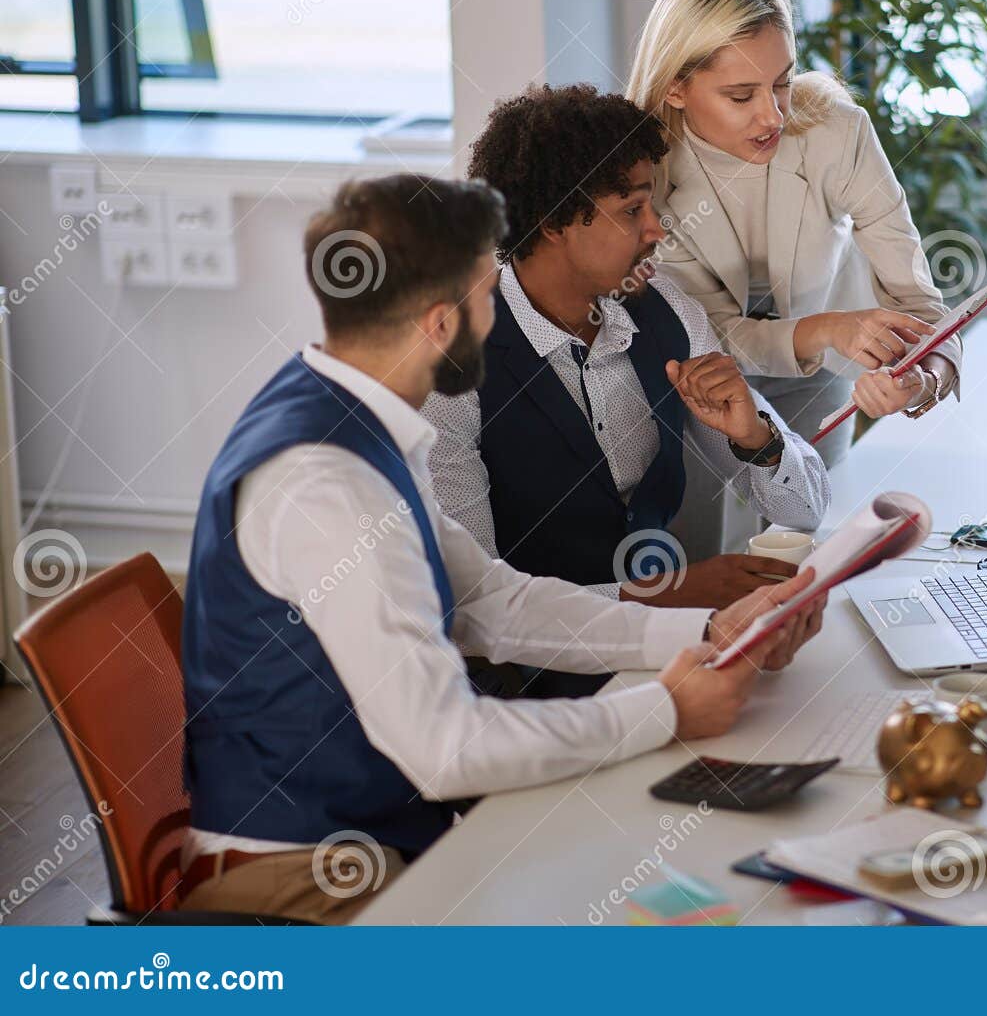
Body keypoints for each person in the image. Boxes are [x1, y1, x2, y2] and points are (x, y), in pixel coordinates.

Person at [179, 175, 823, 923]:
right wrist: (665, 710)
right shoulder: (330, 487)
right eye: (488, 292)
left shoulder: (348, 402)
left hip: (388, 837)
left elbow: (488, 597)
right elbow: (446, 744)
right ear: (437, 324)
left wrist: (706, 631)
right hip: (310, 883)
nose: (498, 315)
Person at [424, 84, 829, 620]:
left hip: (662, 644)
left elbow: (806, 510)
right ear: (554, 220)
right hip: (529, 684)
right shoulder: (453, 366)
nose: (657, 228)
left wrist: (758, 438)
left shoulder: (668, 313)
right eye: (633, 207)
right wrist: (667, 596)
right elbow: (475, 607)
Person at [626, 0, 962, 466]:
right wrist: (827, 329)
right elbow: (716, 333)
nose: (773, 116)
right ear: (675, 88)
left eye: (781, 83)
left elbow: (920, 303)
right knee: (711, 541)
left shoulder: (837, 133)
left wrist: (921, 379)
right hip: (702, 379)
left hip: (818, 376)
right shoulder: (644, 176)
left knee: (809, 534)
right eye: (741, 96)